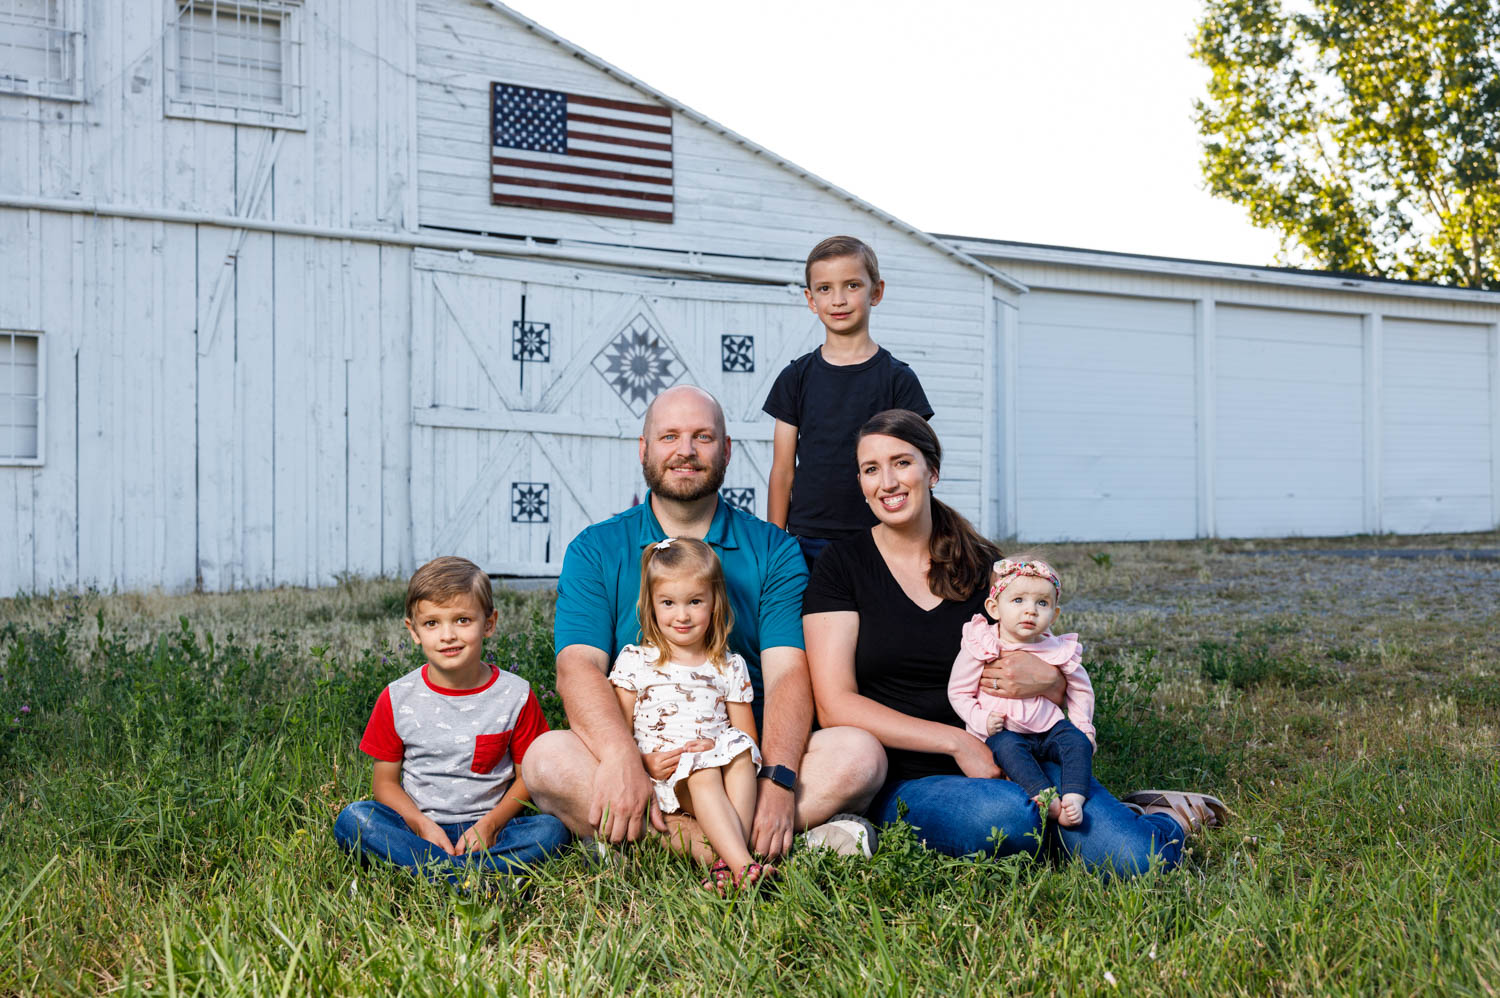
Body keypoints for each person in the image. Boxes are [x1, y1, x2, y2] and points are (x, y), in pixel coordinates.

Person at [803, 409, 1228, 876]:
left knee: (1138, 864)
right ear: (861, 483)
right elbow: (835, 703)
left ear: (932, 471)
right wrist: (956, 744)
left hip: (1020, 751)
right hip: (912, 776)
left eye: (902, 462)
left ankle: (1164, 817)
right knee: (1008, 818)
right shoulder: (841, 565)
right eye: (871, 469)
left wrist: (1047, 681)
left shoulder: (985, 564)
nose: (887, 481)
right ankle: (1054, 829)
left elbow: (1050, 662)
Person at [523, 385, 887, 863]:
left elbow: (787, 674)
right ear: (644, 448)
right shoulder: (596, 548)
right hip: (647, 762)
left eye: (703, 437)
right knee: (546, 759)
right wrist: (621, 758)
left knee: (859, 754)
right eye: (669, 436)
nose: (685, 452)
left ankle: (652, 842)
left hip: (739, 766)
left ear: (727, 449)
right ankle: (756, 848)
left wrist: (777, 781)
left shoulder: (774, 550)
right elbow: (578, 668)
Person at [334, 557, 571, 882]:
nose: (447, 635)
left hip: (492, 828)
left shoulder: (515, 695)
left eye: (462, 620)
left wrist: (490, 825)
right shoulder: (397, 697)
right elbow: (384, 783)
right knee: (354, 819)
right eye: (432, 623)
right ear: (413, 631)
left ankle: (437, 875)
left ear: (489, 624)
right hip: (417, 827)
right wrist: (420, 824)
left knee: (551, 829)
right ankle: (470, 880)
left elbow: (527, 778)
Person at [764, 235, 933, 569]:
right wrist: (775, 543)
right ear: (811, 299)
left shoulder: (899, 380)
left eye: (852, 285)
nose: (838, 300)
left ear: (876, 292)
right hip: (807, 539)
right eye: (825, 289)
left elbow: (918, 468)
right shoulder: (795, 378)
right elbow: (782, 470)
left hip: (882, 536)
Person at [612, 537, 770, 891]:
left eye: (695, 602)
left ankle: (726, 866)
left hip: (722, 774)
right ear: (651, 606)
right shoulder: (636, 661)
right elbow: (617, 734)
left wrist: (713, 746)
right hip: (667, 778)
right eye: (668, 602)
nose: (681, 615)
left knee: (740, 749)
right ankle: (743, 863)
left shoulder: (728, 665)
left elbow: (749, 739)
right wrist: (642, 762)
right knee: (702, 774)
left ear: (714, 604)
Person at [948, 557, 1096, 827]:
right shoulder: (983, 642)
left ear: (1055, 614)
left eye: (1042, 603)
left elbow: (1081, 689)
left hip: (1049, 727)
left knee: (1078, 742)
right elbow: (958, 691)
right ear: (994, 608)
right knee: (1008, 751)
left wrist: (1084, 725)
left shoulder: (1057, 648)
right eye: (1018, 601)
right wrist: (982, 720)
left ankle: (1075, 796)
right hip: (1005, 730)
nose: (1030, 611)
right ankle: (1045, 797)